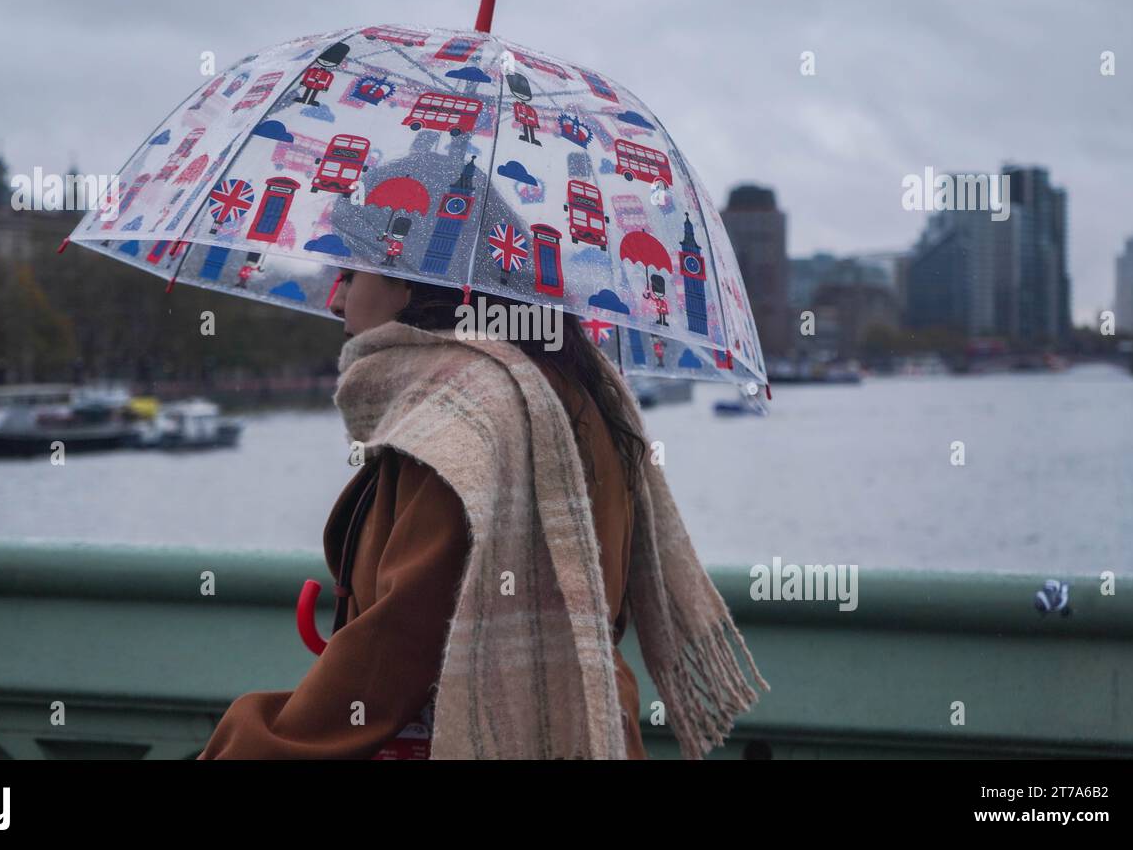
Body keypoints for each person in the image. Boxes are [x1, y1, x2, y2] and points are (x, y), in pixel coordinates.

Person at [198, 269, 767, 759]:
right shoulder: (584, 389)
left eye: (348, 275)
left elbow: (401, 644)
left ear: (408, 277)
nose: (335, 300)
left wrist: (253, 738)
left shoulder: (461, 416)